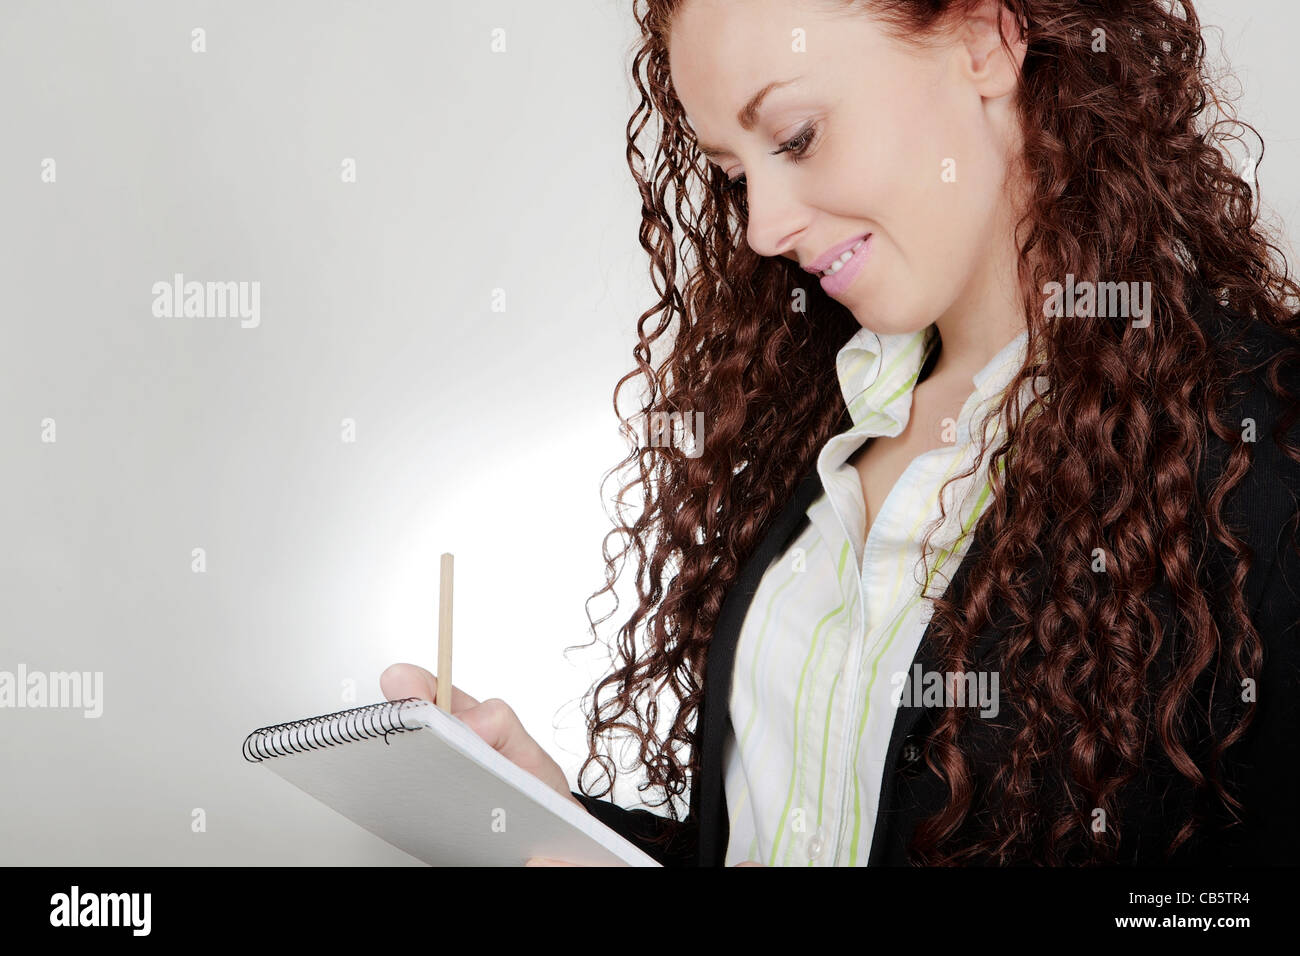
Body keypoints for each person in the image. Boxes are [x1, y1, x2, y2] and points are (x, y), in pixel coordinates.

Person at [383, 0, 1300, 866]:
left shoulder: (1255, 450)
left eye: (796, 137)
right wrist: (568, 827)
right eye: (737, 174)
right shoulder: (824, 423)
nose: (763, 227)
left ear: (983, 39)